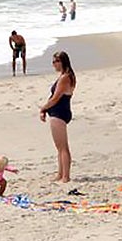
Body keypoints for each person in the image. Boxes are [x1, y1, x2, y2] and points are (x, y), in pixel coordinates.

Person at [39, 50, 76, 183]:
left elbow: (55, 98)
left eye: (55, 61)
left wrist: (43, 108)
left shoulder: (66, 77)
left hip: (59, 112)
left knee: (62, 147)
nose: (53, 64)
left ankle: (65, 176)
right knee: (59, 147)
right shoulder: (65, 76)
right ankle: (60, 174)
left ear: (62, 62)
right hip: (58, 111)